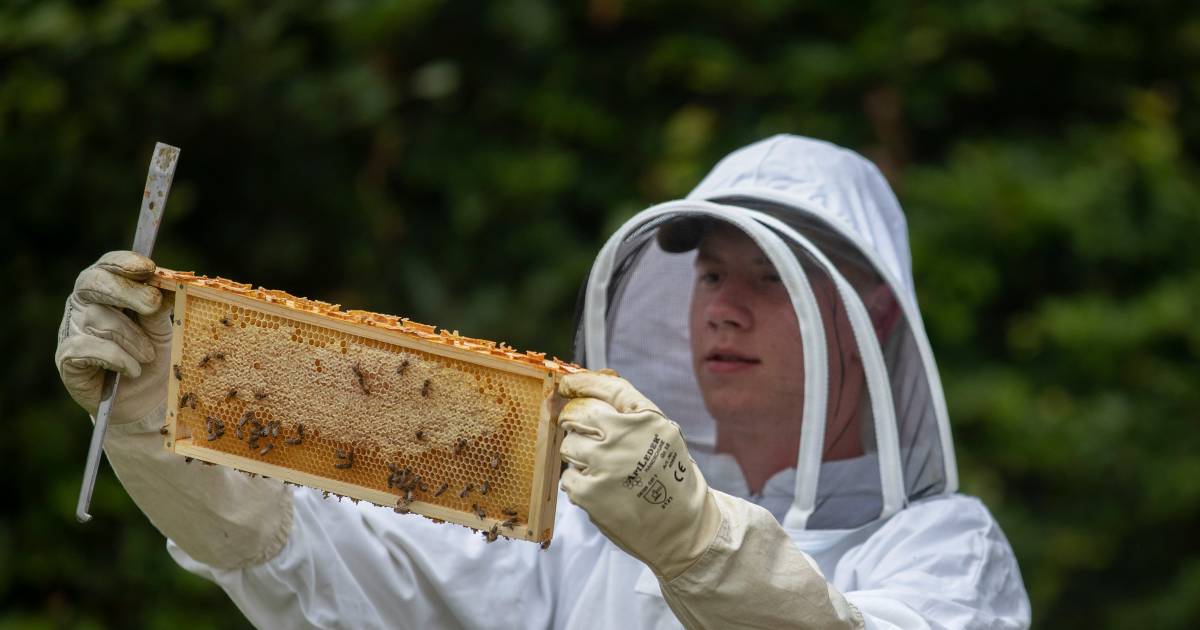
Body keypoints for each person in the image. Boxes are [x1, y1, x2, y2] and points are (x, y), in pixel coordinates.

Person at [56, 135, 1031, 628]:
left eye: (771, 280)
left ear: (876, 313)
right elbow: (330, 563)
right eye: (711, 275)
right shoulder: (591, 533)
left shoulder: (945, 553)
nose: (726, 309)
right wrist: (161, 418)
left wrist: (692, 541)